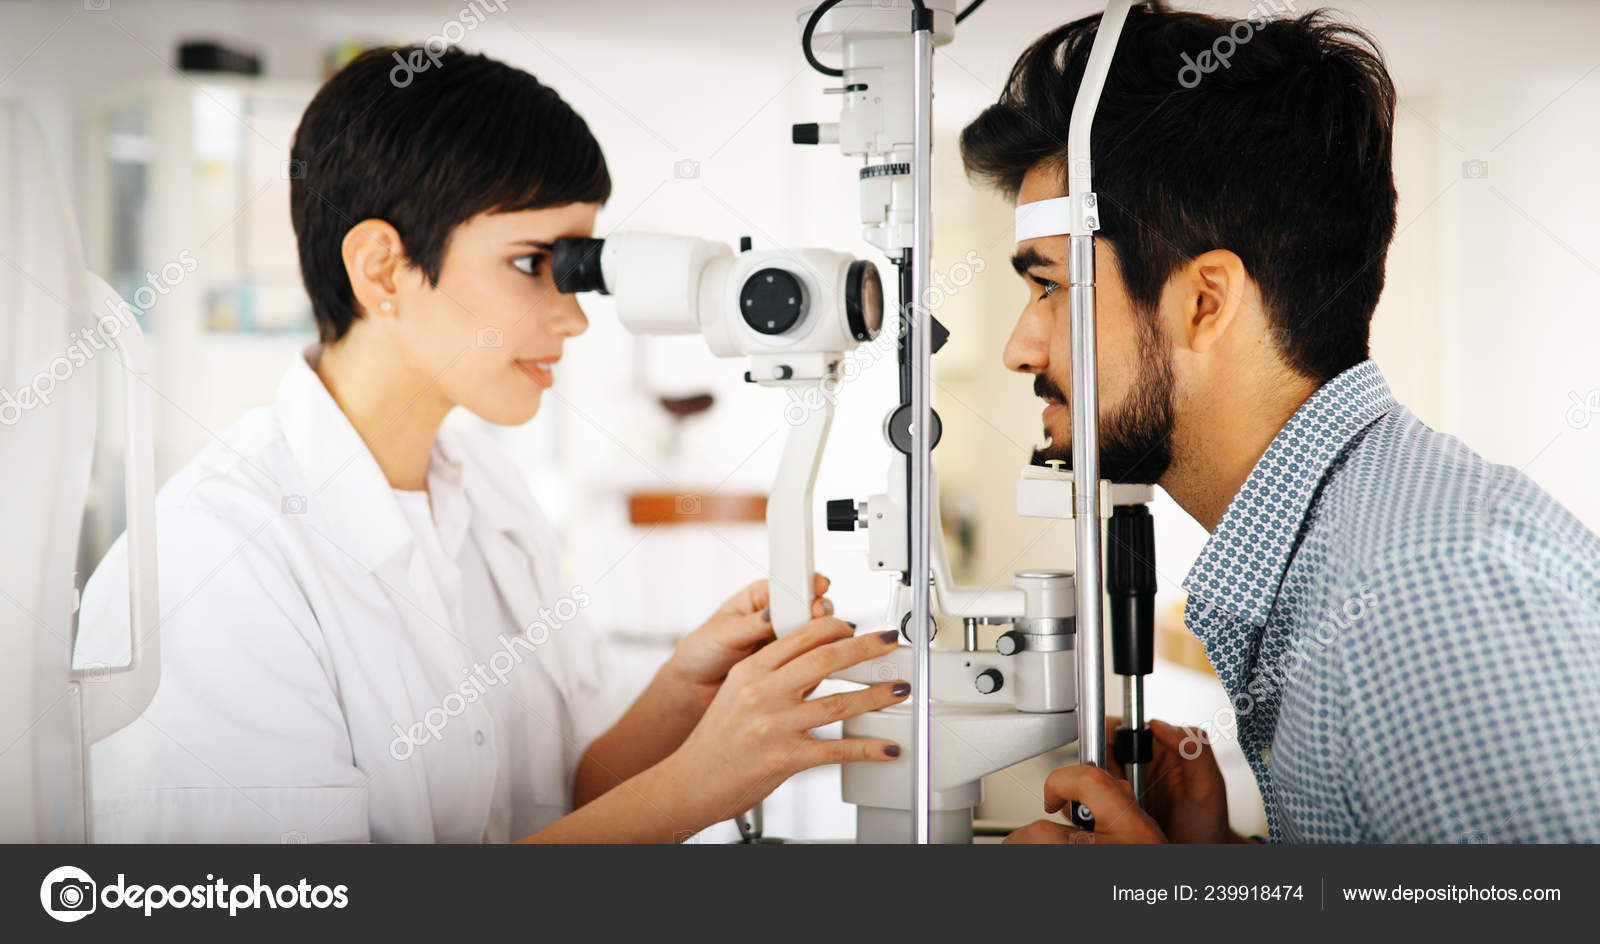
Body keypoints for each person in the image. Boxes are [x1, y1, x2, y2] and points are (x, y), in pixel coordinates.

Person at [72, 45, 908, 843]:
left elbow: (562, 798)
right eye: (531, 263)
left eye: (577, 269)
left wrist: (681, 696)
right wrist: (692, 789)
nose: (574, 317)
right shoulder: (215, 560)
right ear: (382, 268)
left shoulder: (489, 489)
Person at [958, 7, 1600, 842]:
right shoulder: (1345, 557)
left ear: (1205, 302)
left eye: (1050, 286)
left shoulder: (1423, 597)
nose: (1019, 348)